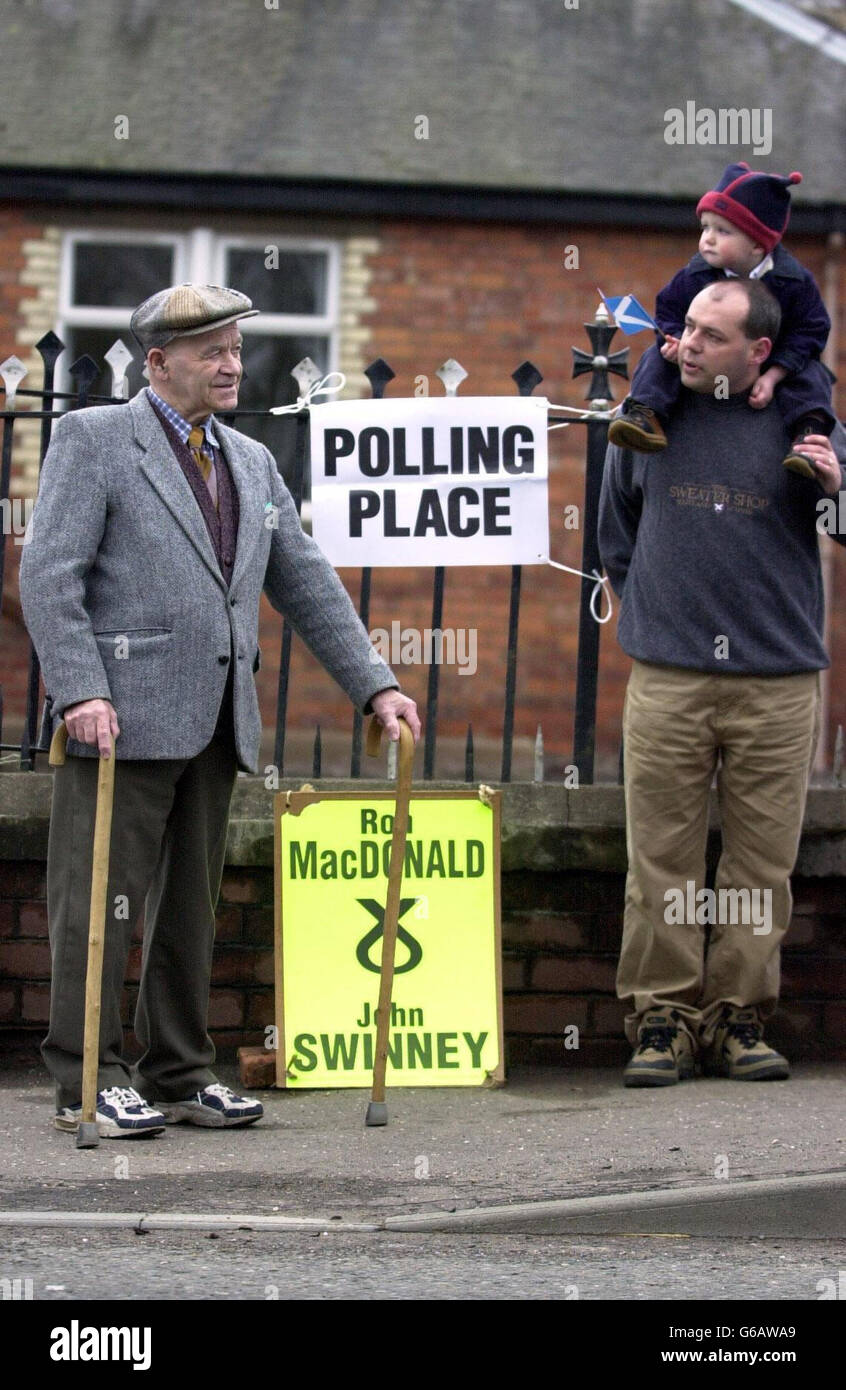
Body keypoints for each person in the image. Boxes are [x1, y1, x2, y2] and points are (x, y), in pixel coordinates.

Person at [19, 283, 420, 1137]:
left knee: (186, 909)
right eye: (212, 351)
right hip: (118, 716)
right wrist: (81, 688)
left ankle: (179, 1069)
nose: (233, 363)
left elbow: (305, 581)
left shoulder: (251, 460)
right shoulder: (92, 438)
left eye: (236, 348)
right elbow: (49, 576)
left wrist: (376, 685)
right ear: (158, 363)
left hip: (218, 713)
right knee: (98, 905)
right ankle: (86, 1079)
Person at [598, 277, 845, 1088]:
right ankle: (662, 1020)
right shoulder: (652, 415)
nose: (685, 344)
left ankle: (740, 1019)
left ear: (760, 352)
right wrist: (660, 613)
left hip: (778, 680)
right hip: (669, 674)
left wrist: (836, 492)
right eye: (687, 328)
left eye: (709, 335)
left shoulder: (805, 421)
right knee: (660, 861)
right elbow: (616, 534)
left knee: (760, 867)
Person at [607, 162, 835, 478]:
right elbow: (669, 309)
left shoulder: (795, 281)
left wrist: (774, 376)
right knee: (654, 359)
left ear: (758, 244)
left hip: (778, 360)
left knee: (813, 376)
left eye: (722, 231)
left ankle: (806, 440)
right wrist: (673, 339)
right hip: (709, 361)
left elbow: (812, 330)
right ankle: (646, 414)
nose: (708, 240)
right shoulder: (696, 272)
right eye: (705, 227)